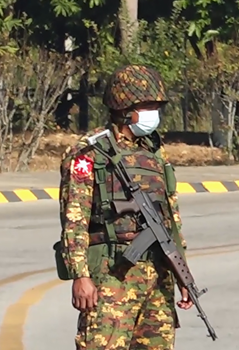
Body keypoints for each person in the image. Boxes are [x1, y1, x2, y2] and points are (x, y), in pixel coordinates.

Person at [56, 64, 193, 350]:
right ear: (123, 107)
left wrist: (183, 274)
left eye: (156, 105)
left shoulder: (155, 154)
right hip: (111, 276)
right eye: (146, 105)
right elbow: (74, 218)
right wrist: (80, 275)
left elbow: (171, 218)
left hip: (157, 277)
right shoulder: (89, 151)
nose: (153, 112)